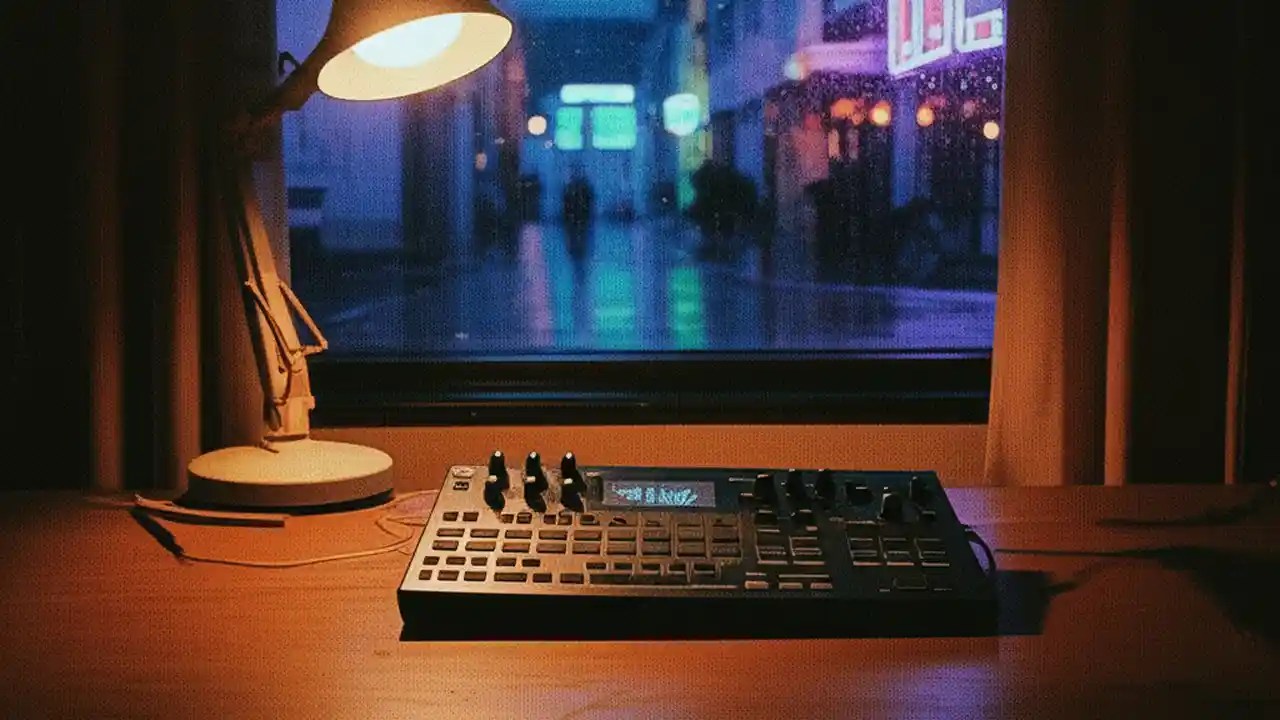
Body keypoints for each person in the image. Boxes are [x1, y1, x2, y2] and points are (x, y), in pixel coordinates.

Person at [561, 165, 594, 259]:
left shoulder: (570, 188)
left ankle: (575, 249)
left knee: (576, 234)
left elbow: (566, 202)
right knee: (579, 234)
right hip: (579, 216)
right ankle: (578, 249)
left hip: (576, 216)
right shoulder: (582, 188)